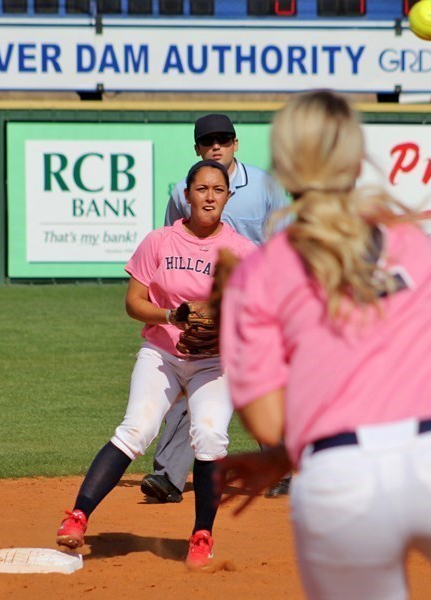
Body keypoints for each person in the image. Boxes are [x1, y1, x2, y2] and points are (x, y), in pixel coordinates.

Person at [216, 91, 431, 599]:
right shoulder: (410, 242)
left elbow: (268, 422)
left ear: (282, 173)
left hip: (341, 482)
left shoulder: (259, 273)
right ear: (357, 162)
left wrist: (232, 321)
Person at [55, 159, 256, 569]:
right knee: (136, 429)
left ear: (228, 197)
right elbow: (133, 303)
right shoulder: (159, 241)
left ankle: (202, 535)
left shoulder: (241, 252)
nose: (210, 197)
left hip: (213, 362)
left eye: (218, 190)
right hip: (162, 352)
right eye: (201, 189)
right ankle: (78, 516)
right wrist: (171, 316)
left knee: (211, 435)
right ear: (186, 195)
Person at [141, 113, 293, 504]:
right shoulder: (182, 191)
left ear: (236, 143)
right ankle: (169, 477)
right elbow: (170, 247)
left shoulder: (264, 185)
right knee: (192, 374)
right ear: (196, 147)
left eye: (224, 139)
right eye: (208, 141)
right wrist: (173, 313)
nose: (216, 146)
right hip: (204, 304)